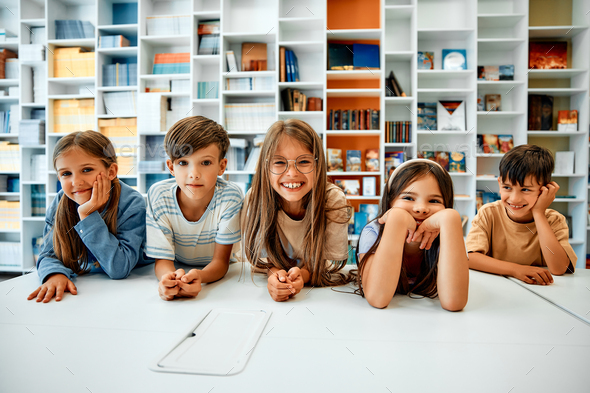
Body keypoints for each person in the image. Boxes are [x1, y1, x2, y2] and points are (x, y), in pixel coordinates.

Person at [28, 131, 150, 303]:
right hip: (86, 290)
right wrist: (54, 274)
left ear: (111, 171)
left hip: (129, 291)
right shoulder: (60, 202)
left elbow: (119, 268)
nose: (76, 181)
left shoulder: (131, 203)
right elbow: (48, 253)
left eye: (86, 170)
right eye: (66, 174)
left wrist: (87, 214)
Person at [242, 119, 352, 302]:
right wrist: (275, 276)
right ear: (266, 167)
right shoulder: (255, 199)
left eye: (303, 161)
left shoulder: (332, 199)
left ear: (318, 165)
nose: (292, 173)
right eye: (279, 162)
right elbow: (262, 260)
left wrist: (303, 274)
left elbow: (330, 261)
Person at [146, 116, 242, 301]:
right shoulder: (159, 196)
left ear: (221, 166)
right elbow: (162, 261)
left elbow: (220, 262)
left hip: (221, 277)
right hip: (177, 267)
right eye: (183, 163)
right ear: (171, 167)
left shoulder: (230, 196)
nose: (194, 175)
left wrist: (200, 277)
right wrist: (168, 279)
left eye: (205, 163)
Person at [356, 159, 469, 311]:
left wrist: (451, 219)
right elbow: (377, 299)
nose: (421, 209)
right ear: (390, 202)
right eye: (408, 198)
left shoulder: (446, 232)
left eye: (434, 200)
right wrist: (397, 219)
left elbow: (454, 303)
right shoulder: (373, 231)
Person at [466, 144, 576, 284]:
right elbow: (471, 258)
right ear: (499, 183)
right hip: (496, 288)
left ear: (545, 190)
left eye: (525, 190)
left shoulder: (554, 220)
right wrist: (516, 270)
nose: (514, 199)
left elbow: (559, 268)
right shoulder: (488, 213)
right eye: (507, 187)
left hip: (539, 292)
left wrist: (539, 213)